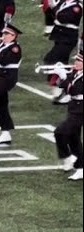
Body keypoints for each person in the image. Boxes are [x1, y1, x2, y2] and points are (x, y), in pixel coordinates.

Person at [52, 52, 83, 181]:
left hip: (81, 109)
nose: (76, 63)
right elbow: (63, 85)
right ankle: (80, 168)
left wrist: (64, 76)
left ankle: (68, 158)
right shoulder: (75, 73)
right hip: (74, 107)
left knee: (60, 132)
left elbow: (74, 90)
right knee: (73, 137)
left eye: (79, 61)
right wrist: (61, 75)